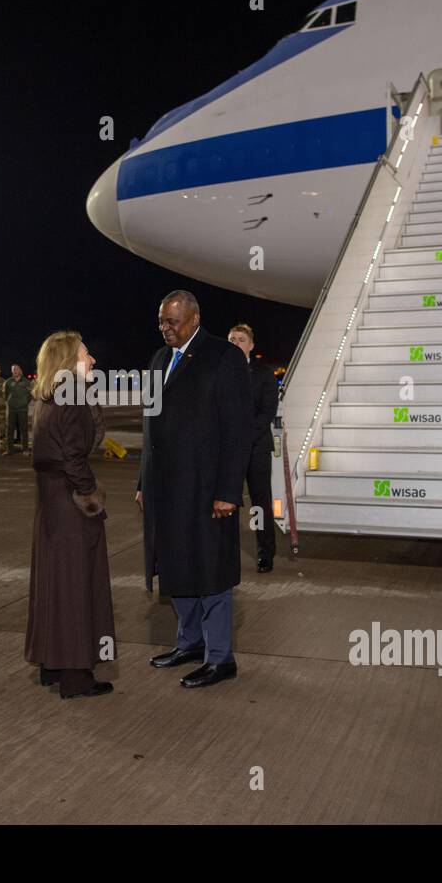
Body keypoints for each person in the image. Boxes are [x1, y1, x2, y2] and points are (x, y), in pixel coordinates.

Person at [137, 290, 252, 689]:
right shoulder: (156, 359)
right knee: (174, 564)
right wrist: (142, 481)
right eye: (161, 321)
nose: (166, 328)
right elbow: (149, 427)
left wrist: (227, 491)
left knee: (210, 568)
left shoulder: (224, 357)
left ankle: (221, 658)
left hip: (205, 490)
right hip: (164, 489)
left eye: (173, 321)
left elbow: (237, 432)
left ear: (195, 318)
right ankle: (189, 643)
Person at [25, 331, 116, 699]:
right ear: (67, 361)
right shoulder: (73, 395)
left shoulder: (48, 397)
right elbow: (75, 458)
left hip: (50, 506)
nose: (92, 359)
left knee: (54, 585)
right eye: (85, 353)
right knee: (78, 587)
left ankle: (53, 664)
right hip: (70, 506)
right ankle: (77, 677)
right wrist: (91, 497)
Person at [227, 323, 278, 573]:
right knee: (227, 502)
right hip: (229, 451)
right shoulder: (220, 372)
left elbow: (268, 411)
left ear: (251, 345)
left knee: (259, 503)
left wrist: (243, 436)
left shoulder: (264, 373)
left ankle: (265, 553)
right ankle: (226, 553)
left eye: (241, 339)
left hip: (256, 449)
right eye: (232, 339)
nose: (236, 343)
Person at [4, 363, 33, 455]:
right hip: (12, 409)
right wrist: (10, 402)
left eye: (16, 369)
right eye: (13, 369)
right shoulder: (8, 382)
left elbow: (30, 395)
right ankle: (9, 450)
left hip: (22, 409)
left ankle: (25, 449)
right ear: (12, 371)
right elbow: (5, 395)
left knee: (24, 429)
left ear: (20, 370)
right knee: (10, 429)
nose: (15, 371)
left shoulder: (26, 382)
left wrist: (24, 402)